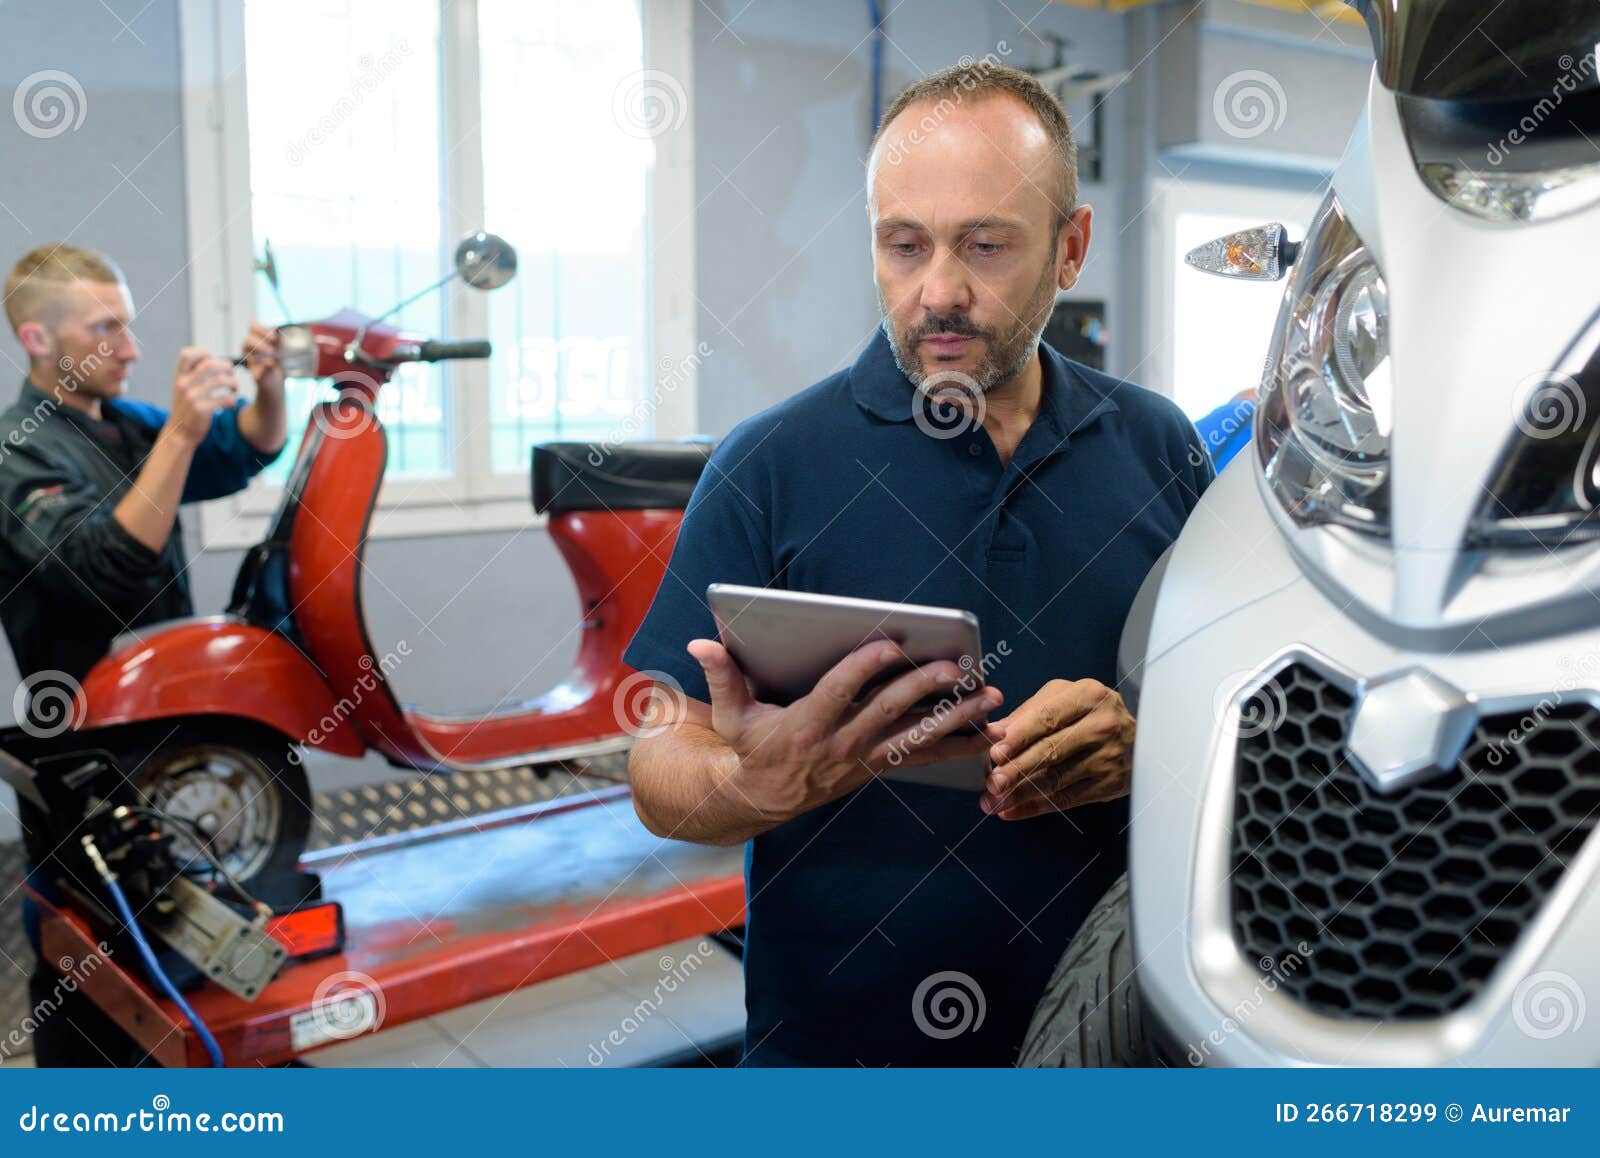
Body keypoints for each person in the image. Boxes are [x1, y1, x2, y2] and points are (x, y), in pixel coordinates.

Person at [623, 63, 1213, 1066]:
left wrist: (1149, 749)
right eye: (903, 246)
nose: (937, 290)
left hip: (1111, 1036)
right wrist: (755, 785)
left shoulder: (1158, 447)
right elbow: (654, 763)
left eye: (985, 245)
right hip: (843, 1054)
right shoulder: (771, 465)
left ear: (1070, 249)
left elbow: (1233, 714)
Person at [1, 242, 287, 1065]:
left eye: (128, 327)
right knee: (90, 980)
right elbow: (102, 567)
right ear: (36, 338)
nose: (130, 349)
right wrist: (183, 434)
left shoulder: (128, 424)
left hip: (161, 745)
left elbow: (246, 450)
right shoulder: (18, 451)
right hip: (81, 760)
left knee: (174, 971)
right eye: (105, 329)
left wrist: (265, 387)